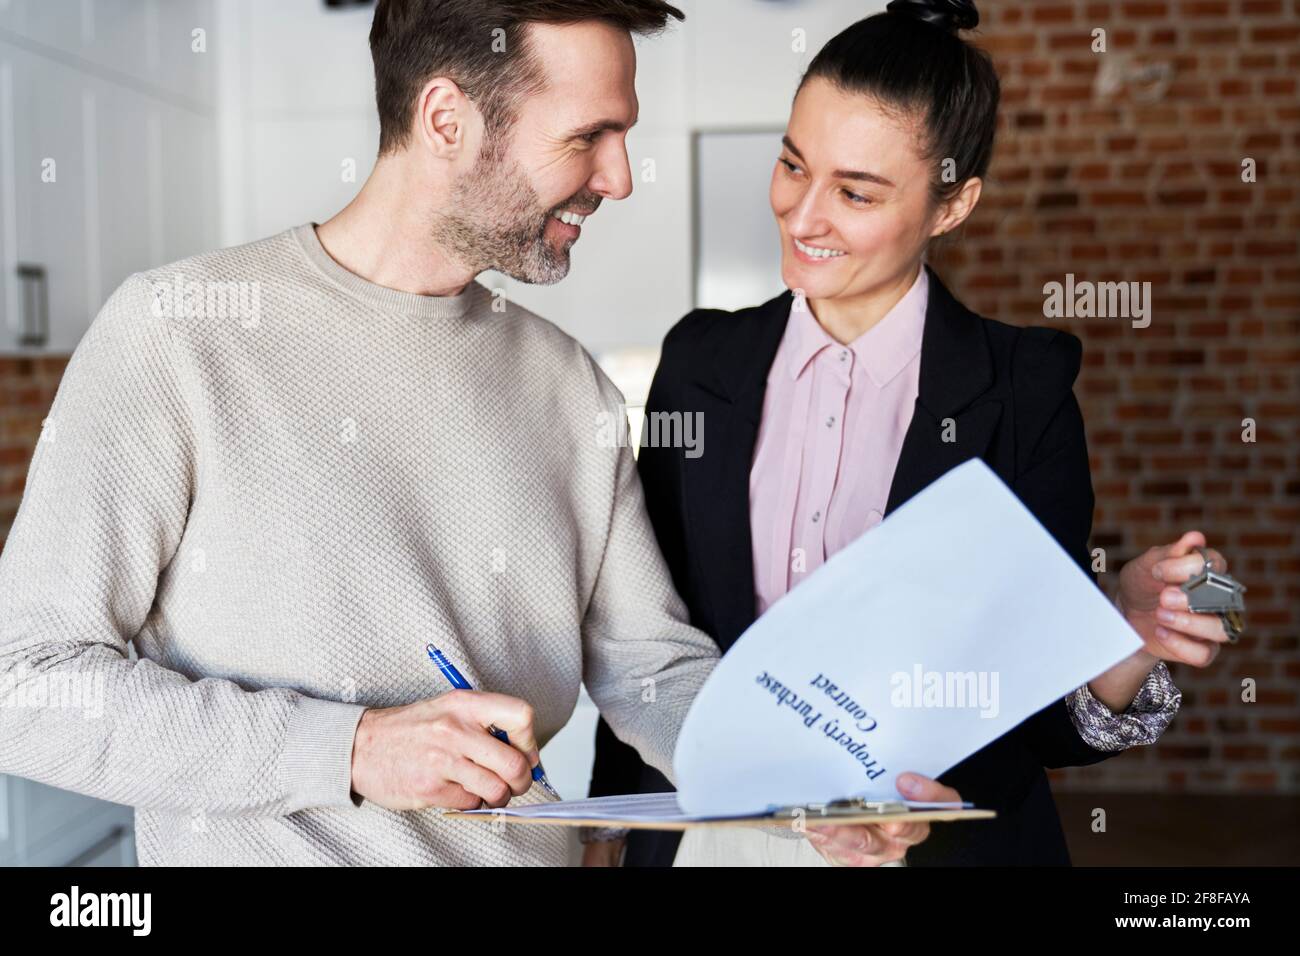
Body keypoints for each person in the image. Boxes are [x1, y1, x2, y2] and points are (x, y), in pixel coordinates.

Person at [0, 0, 956, 867]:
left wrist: (812, 781)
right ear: (448, 119)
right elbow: (26, 684)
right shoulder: (178, 335)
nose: (618, 178)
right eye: (590, 136)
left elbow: (652, 669)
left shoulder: (565, 380)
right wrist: (356, 751)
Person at [584, 0, 1233, 867]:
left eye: (856, 192)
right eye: (791, 164)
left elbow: (1031, 718)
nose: (803, 215)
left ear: (952, 206)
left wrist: (1125, 631)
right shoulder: (699, 362)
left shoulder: (1023, 389)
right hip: (718, 844)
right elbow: (647, 645)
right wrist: (607, 831)